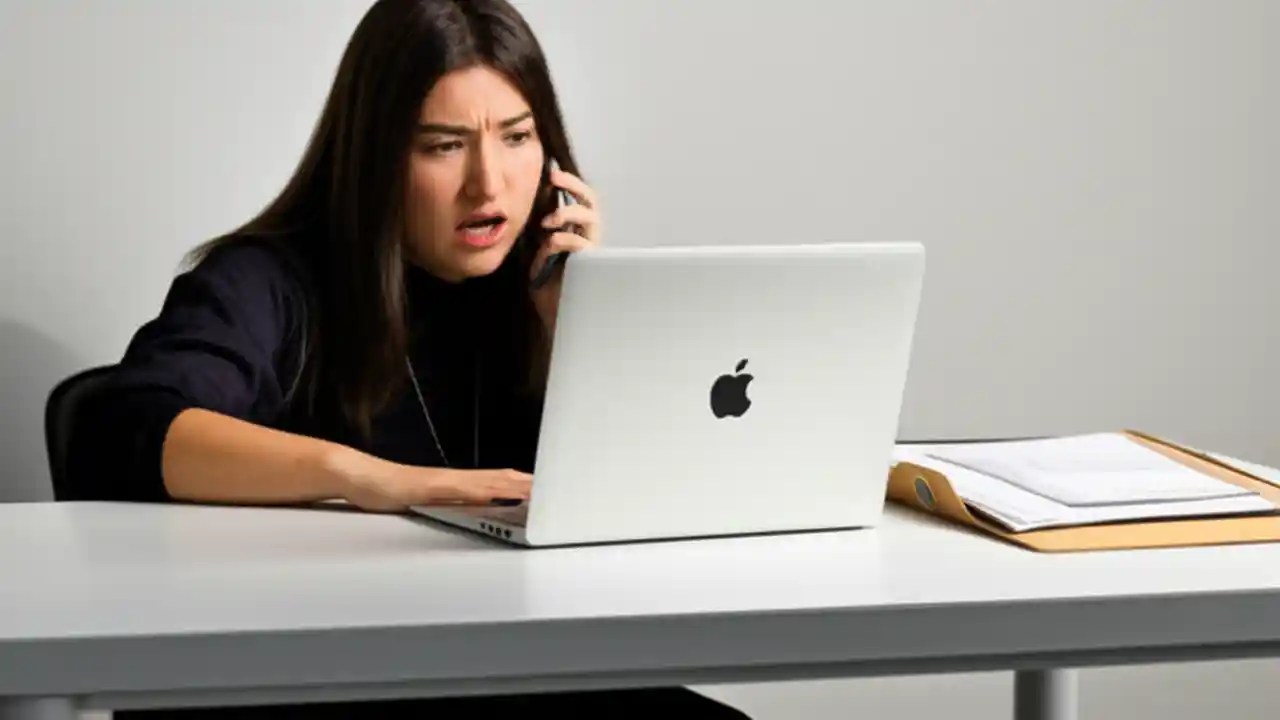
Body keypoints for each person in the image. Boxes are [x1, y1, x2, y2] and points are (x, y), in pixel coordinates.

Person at [67, 0, 752, 717]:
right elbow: (119, 429)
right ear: (373, 155)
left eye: (517, 137)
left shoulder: (539, 291)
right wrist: (371, 479)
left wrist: (579, 336)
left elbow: (631, 532)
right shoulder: (267, 281)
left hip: (505, 664)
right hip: (306, 676)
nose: (488, 184)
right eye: (443, 146)